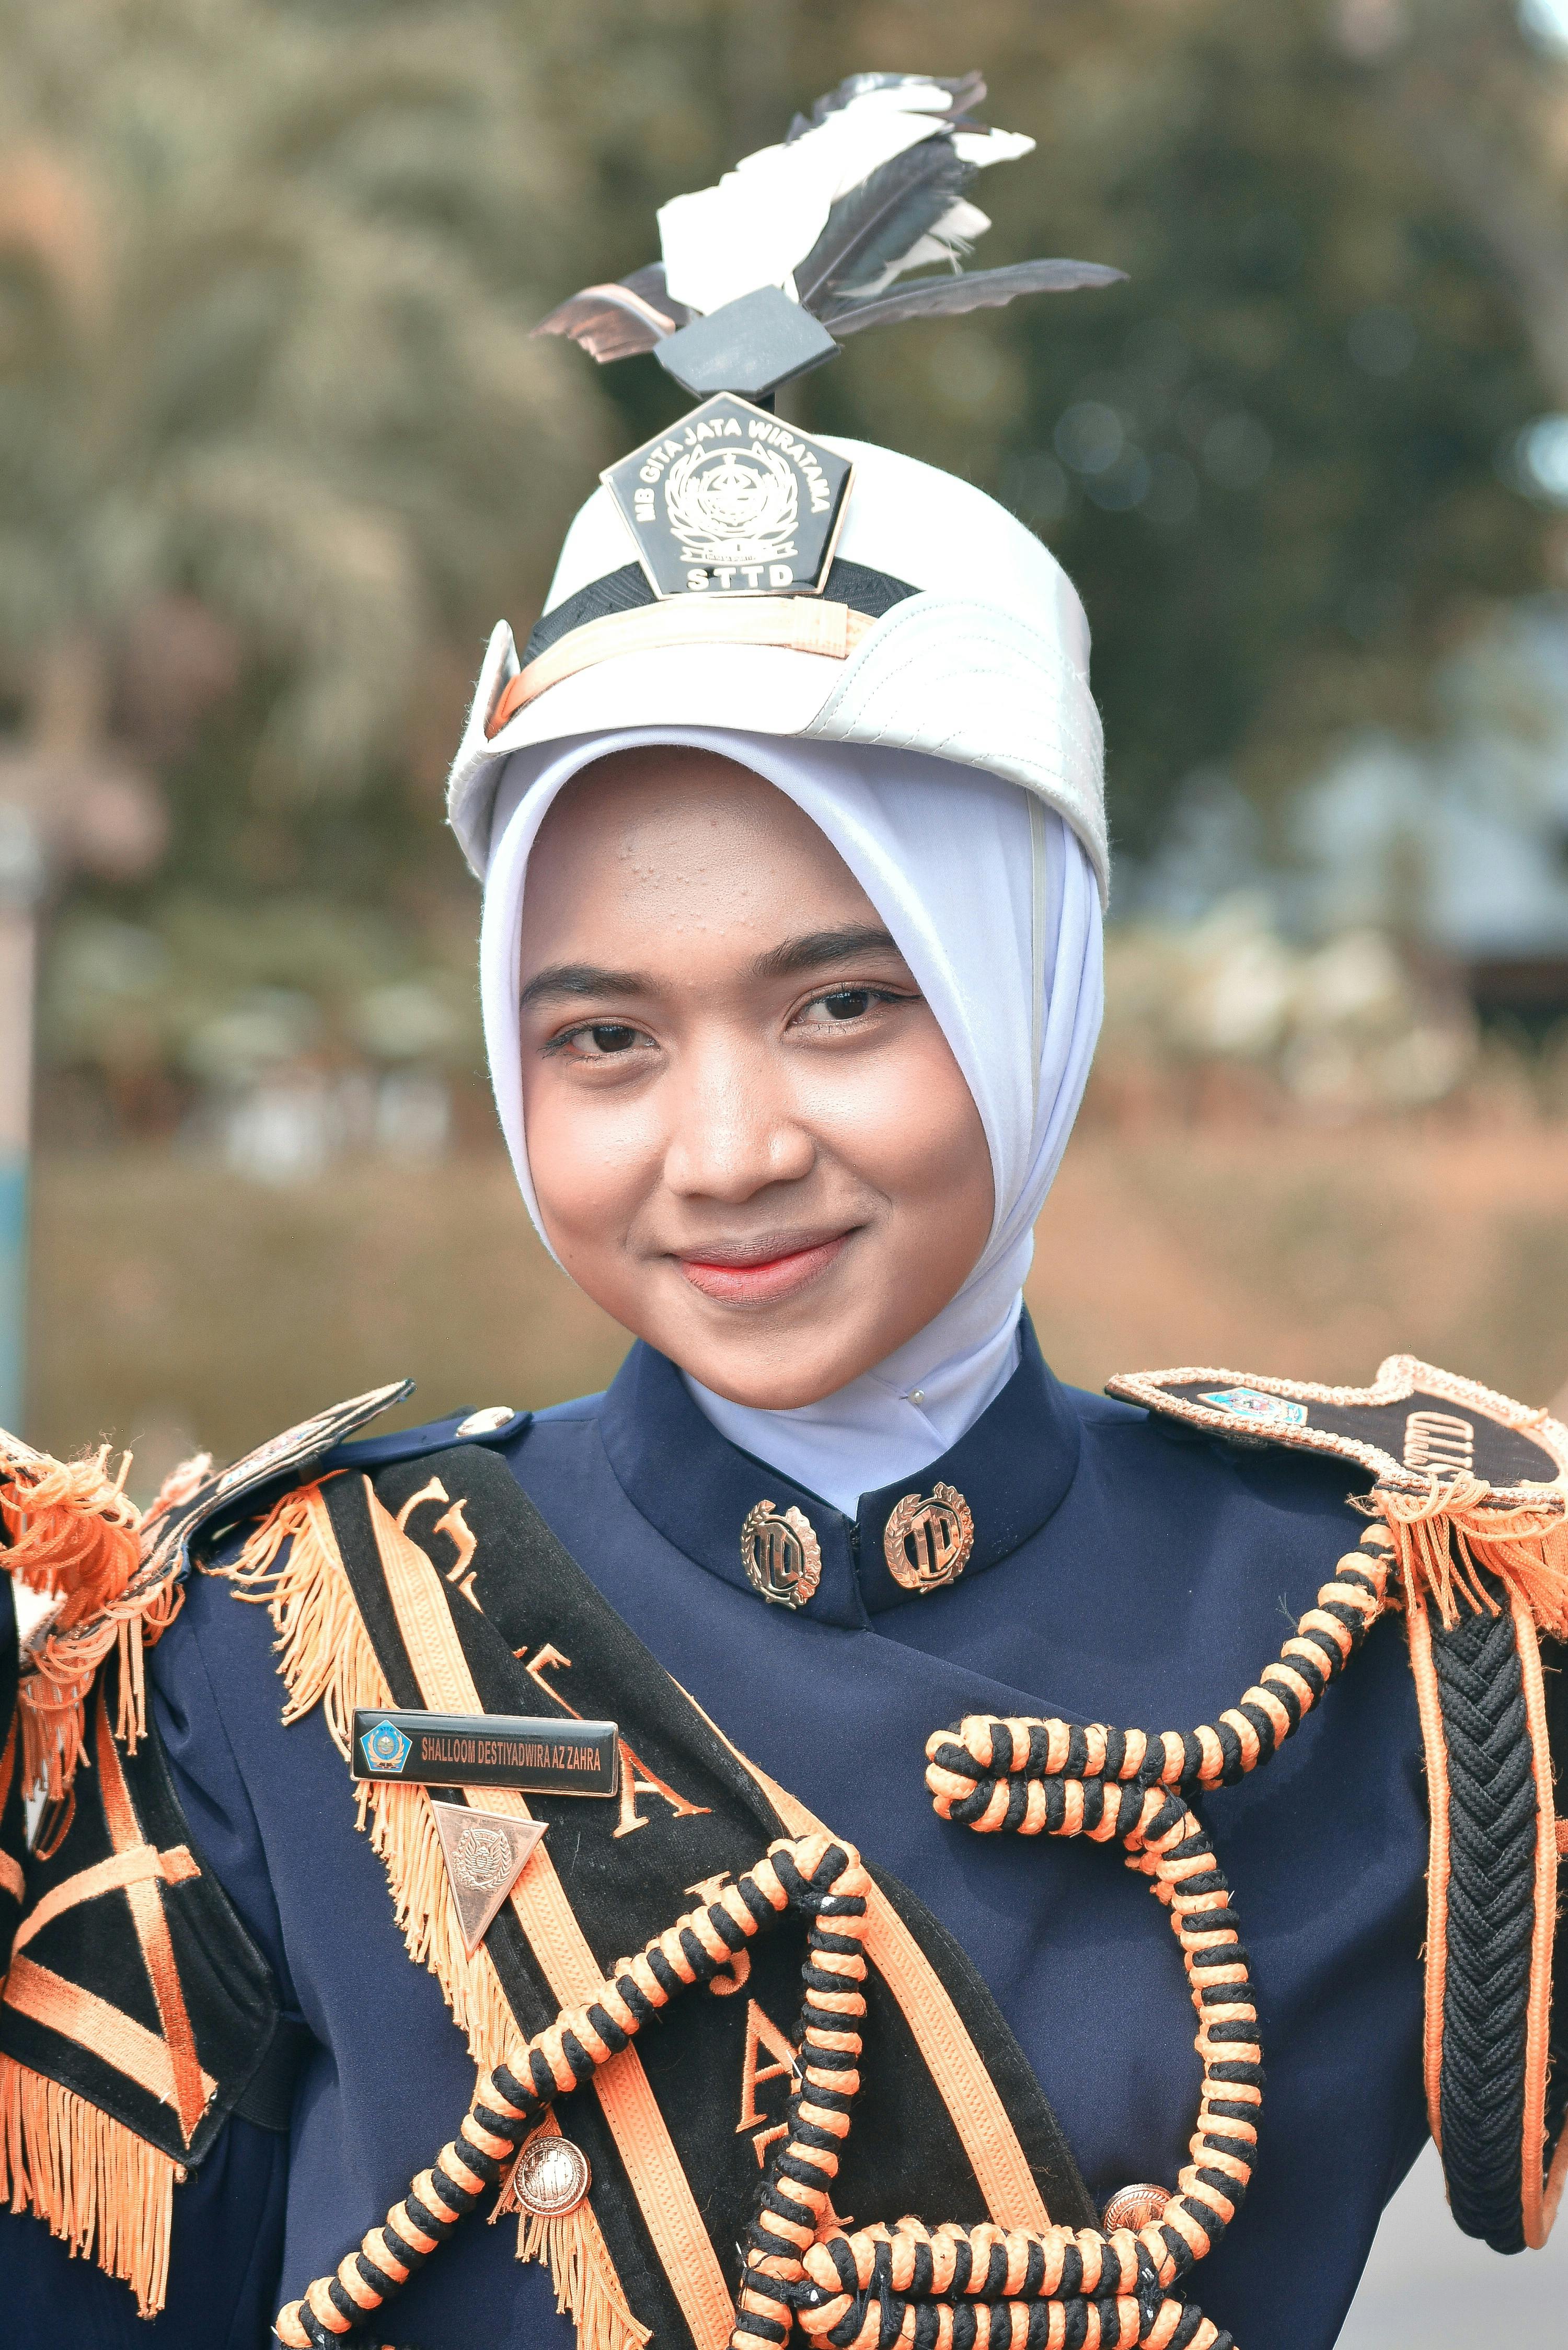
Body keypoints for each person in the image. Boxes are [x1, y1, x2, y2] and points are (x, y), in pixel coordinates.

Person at [1, 71, 1563, 2350]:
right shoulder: (251, 1659)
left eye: (846, 1002)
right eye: (604, 1036)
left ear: (1032, 988)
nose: (722, 1149)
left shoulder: (1406, 1649)